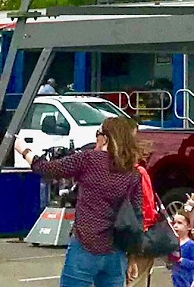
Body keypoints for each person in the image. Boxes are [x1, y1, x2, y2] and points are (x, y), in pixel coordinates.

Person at [37, 114, 150, 287]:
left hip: (85, 244)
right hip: (116, 250)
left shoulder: (88, 159)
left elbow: (49, 169)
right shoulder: (132, 172)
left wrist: (25, 151)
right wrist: (133, 257)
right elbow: (137, 217)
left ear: (105, 138)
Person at [166, 209, 194, 287]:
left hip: (188, 281)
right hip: (176, 280)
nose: (175, 226)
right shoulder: (173, 244)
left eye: (179, 223)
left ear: (189, 226)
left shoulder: (191, 245)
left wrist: (181, 260)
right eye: (174, 223)